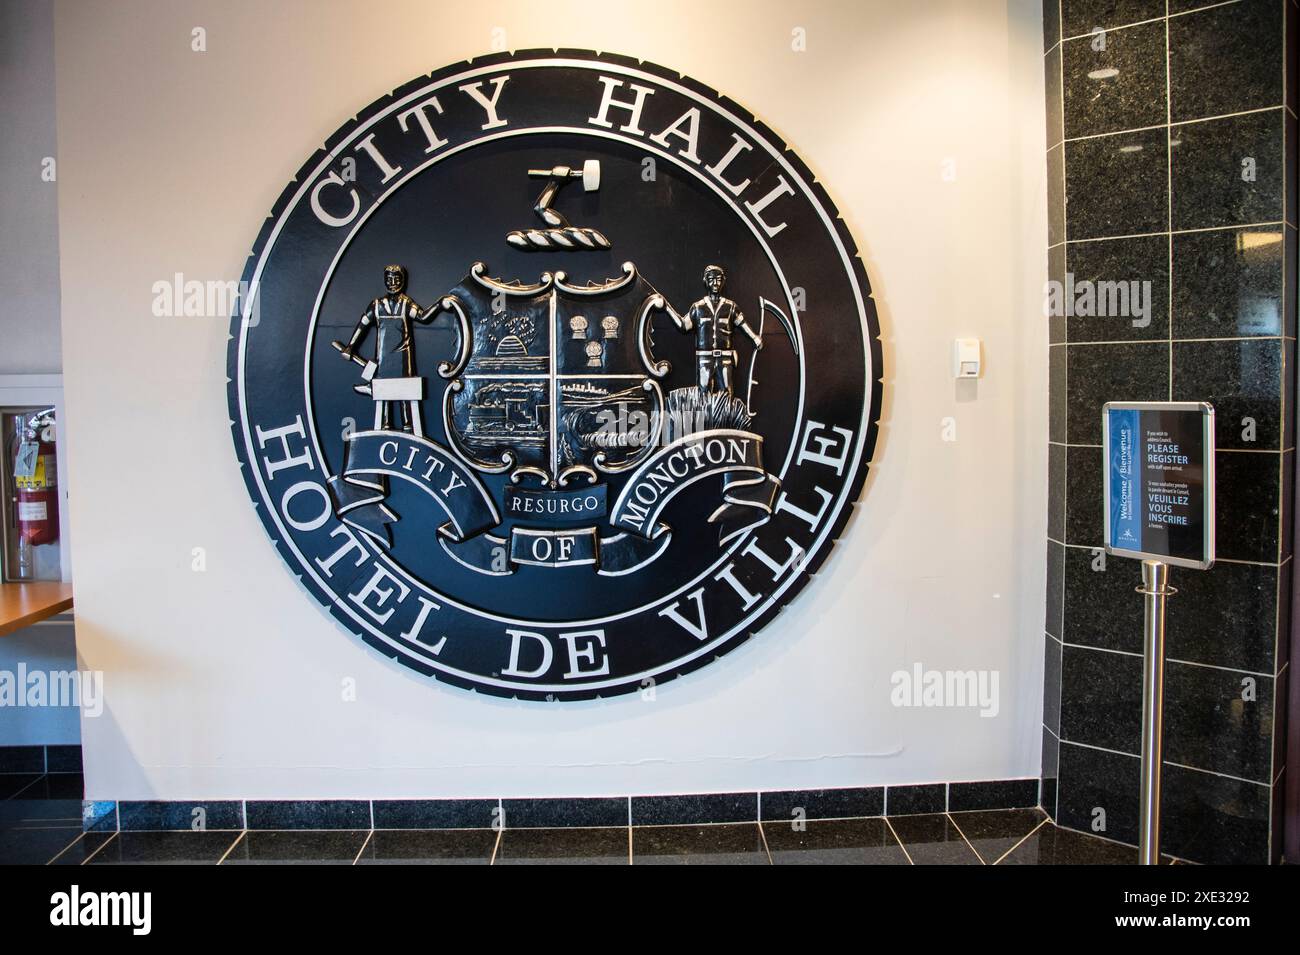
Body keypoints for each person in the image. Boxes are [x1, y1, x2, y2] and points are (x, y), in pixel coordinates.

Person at [340, 264, 428, 432]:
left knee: (405, 392)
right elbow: (363, 324)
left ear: (403, 281)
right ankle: (386, 424)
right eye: (389, 279)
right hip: (384, 358)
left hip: (403, 359)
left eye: (396, 279)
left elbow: (423, 317)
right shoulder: (377, 305)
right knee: (384, 394)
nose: (393, 282)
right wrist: (351, 346)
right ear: (384, 281)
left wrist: (441, 304)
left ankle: (407, 425)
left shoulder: (406, 304)